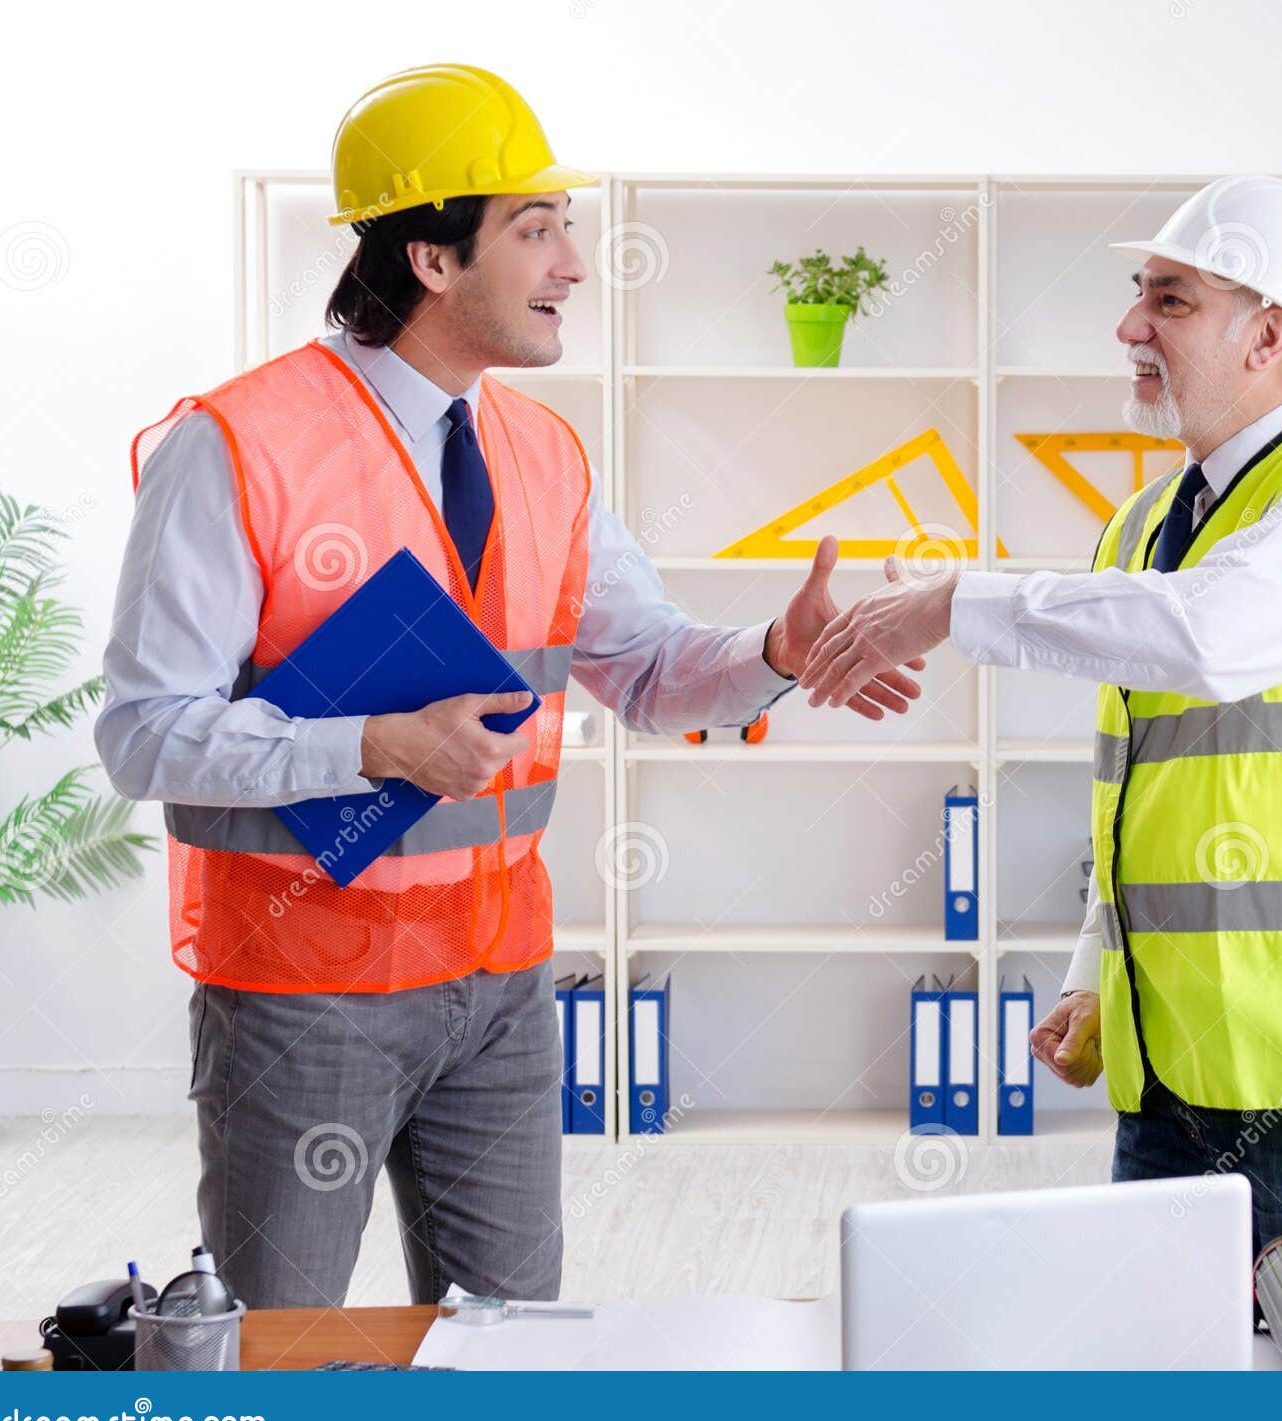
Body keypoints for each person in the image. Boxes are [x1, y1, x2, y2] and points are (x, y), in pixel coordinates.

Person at [96, 63, 923, 1309]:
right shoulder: (239, 443)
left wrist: (773, 655)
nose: (575, 265)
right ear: (433, 258)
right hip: (303, 991)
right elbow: (144, 738)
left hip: (498, 989)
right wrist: (372, 744)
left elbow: (643, 672)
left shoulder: (539, 452)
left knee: (515, 1344)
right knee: (277, 1352)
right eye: (536, 231)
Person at [800, 175, 1282, 1268]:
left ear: (1268, 331)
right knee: (1167, 1386)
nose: (1127, 326)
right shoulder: (1144, 522)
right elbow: (1143, 782)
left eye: (1170, 300)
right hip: (1167, 1071)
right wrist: (1089, 971)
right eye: (1139, 295)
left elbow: (1210, 635)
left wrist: (948, 602)